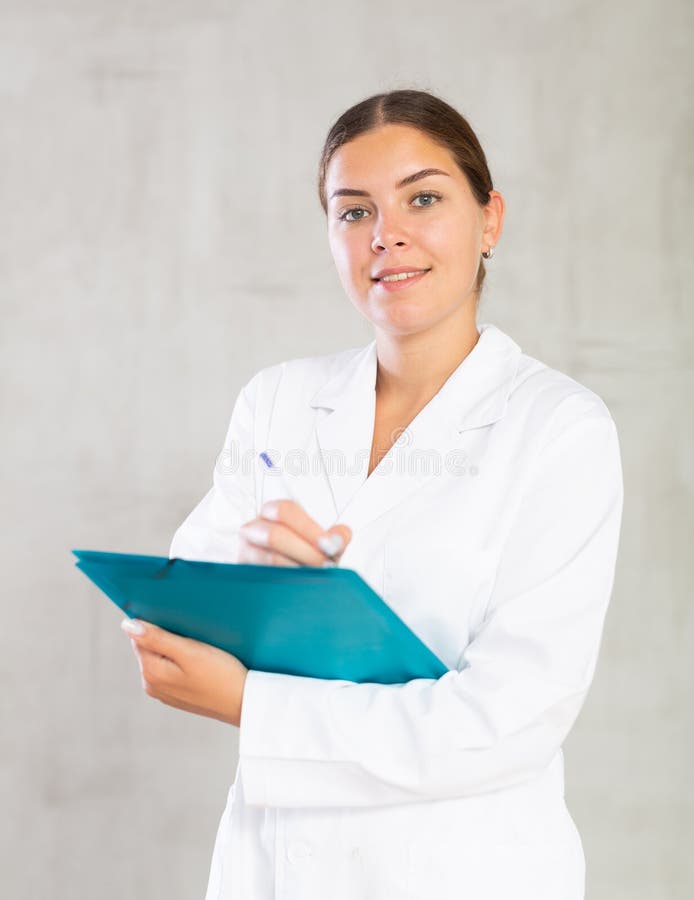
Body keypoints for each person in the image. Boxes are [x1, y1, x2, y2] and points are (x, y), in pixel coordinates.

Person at [121, 89, 624, 899]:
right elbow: (167, 628)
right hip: (277, 869)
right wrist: (257, 572)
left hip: (466, 870)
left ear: (489, 219)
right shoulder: (278, 400)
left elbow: (508, 722)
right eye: (352, 212)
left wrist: (257, 701)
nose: (386, 234)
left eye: (423, 198)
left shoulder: (559, 429)